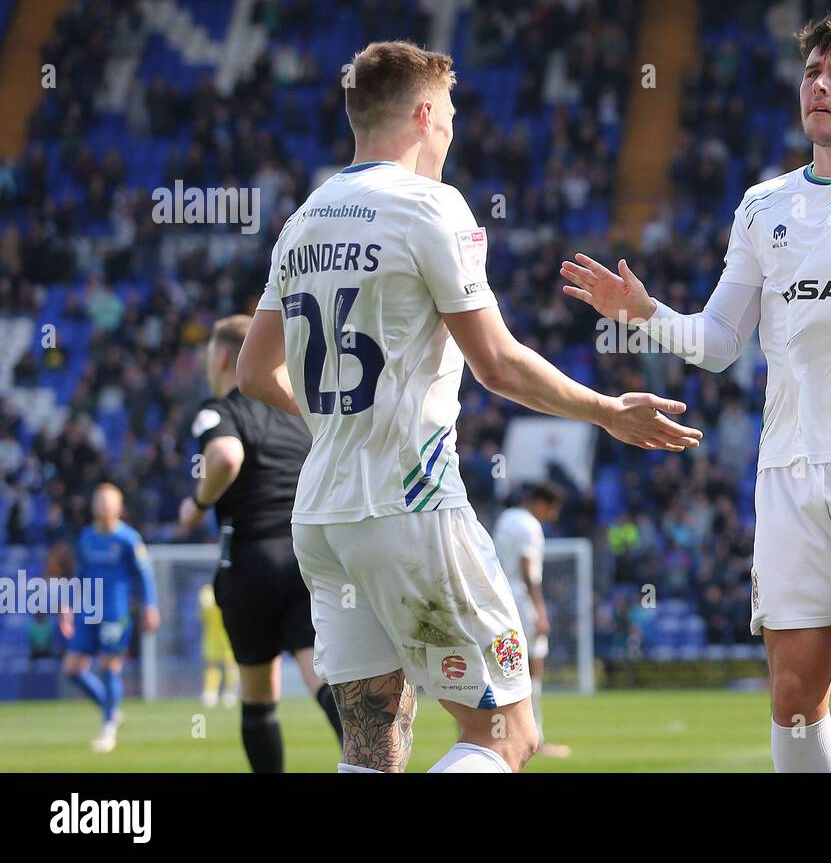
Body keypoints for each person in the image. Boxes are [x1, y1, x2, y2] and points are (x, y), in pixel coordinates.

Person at [236, 40, 701, 774]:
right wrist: (607, 409)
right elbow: (498, 363)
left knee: (370, 745)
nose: (452, 130)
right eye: (449, 114)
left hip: (323, 518)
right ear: (424, 114)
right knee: (506, 734)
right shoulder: (429, 205)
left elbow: (251, 367)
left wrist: (336, 429)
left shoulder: (303, 221)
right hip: (410, 508)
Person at [561, 1, 831, 772]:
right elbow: (721, 344)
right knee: (795, 698)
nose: (820, 85)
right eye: (812, 72)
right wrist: (644, 312)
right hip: (786, 474)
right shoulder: (765, 205)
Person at [177, 314, 344, 771]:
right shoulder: (301, 411)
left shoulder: (222, 409)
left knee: (258, 695)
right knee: (321, 680)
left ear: (225, 356)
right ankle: (373, 764)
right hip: (308, 558)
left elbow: (226, 456)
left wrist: (197, 503)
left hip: (251, 559)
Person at [59, 484, 160, 753]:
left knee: (108, 667)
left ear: (119, 507)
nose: (102, 506)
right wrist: (68, 607)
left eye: (108, 502)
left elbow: (145, 576)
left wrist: (150, 606)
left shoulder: (129, 539)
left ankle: (107, 730)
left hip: (115, 613)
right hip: (86, 612)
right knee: (72, 669)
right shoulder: (86, 537)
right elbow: (78, 576)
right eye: (98, 501)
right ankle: (111, 707)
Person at [493, 481, 570, 758]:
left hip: (498, 599)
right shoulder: (530, 526)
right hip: (521, 601)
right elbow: (528, 568)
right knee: (533, 665)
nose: (553, 516)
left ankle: (496, 734)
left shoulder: (506, 518)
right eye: (553, 509)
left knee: (502, 669)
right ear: (542, 503)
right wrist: (540, 610)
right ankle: (534, 737)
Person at [198, 583, 238, 709]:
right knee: (212, 665)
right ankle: (210, 693)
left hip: (228, 633)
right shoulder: (206, 592)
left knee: (230, 665)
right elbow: (202, 616)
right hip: (213, 636)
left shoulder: (231, 587)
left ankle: (229, 693)